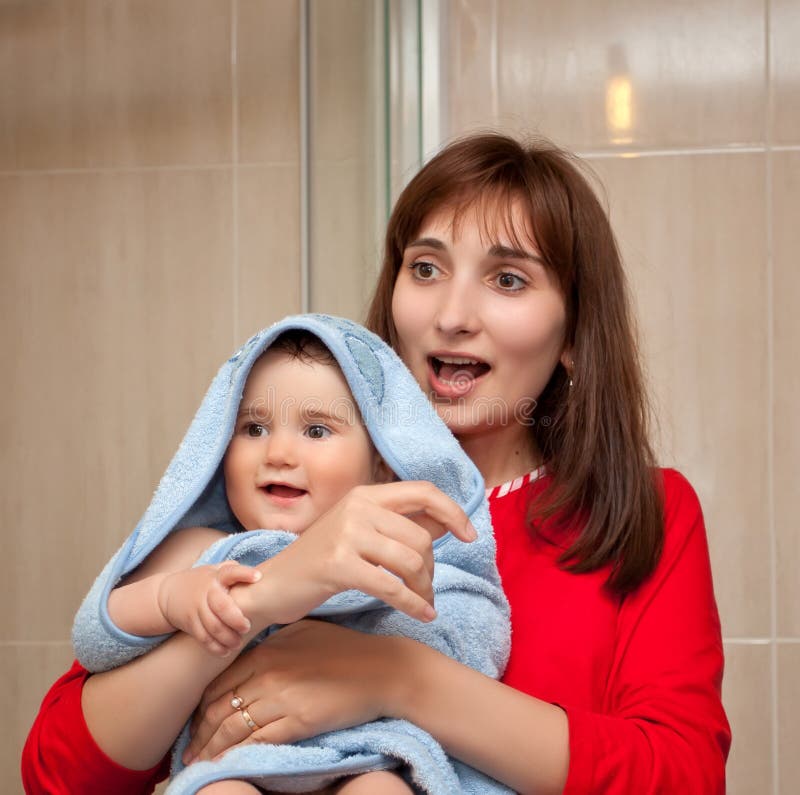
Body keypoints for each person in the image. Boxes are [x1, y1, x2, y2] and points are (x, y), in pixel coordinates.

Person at [22, 133, 731, 795]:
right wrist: (266, 592)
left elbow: (684, 774)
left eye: (508, 279)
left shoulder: (648, 512)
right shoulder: (283, 488)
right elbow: (56, 768)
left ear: (573, 333)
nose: (452, 314)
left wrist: (397, 676)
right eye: (425, 268)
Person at [67, 315, 510, 795]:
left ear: (381, 462)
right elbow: (96, 635)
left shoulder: (394, 548)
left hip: (365, 756)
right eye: (254, 428)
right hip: (236, 763)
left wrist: (393, 648)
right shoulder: (205, 549)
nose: (277, 452)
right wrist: (170, 597)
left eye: (316, 431)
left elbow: (472, 633)